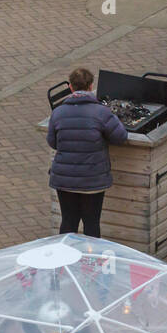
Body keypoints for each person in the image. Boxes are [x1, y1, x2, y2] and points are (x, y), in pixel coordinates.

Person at [45, 67, 128, 238]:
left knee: (68, 221)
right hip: (92, 180)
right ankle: (91, 261)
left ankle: (65, 257)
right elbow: (120, 137)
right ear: (91, 87)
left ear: (70, 87)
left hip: (64, 179)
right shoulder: (101, 112)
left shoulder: (58, 113)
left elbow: (52, 142)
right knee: (91, 223)